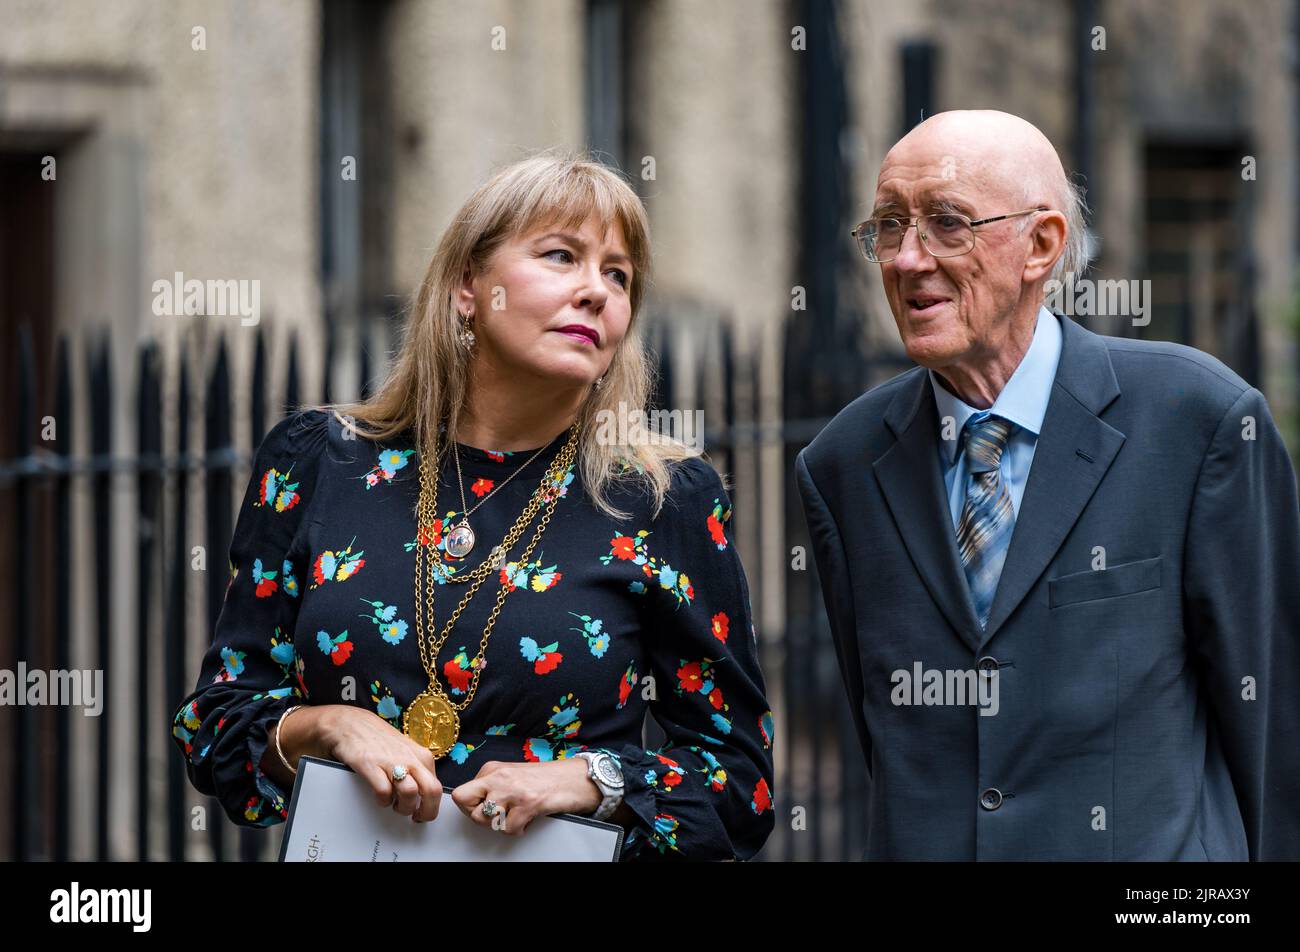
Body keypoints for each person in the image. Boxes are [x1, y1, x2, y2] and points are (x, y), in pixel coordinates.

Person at [171, 152, 775, 861]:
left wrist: (590, 779)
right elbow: (213, 727)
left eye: (618, 275)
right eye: (561, 256)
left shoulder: (662, 498)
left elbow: (741, 787)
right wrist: (326, 726)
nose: (596, 292)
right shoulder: (317, 461)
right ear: (468, 287)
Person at [795, 109, 1300, 860]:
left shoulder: (1201, 422)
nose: (906, 259)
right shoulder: (842, 462)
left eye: (946, 224)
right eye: (889, 226)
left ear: (1041, 245)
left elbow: (1273, 733)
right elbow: (885, 742)